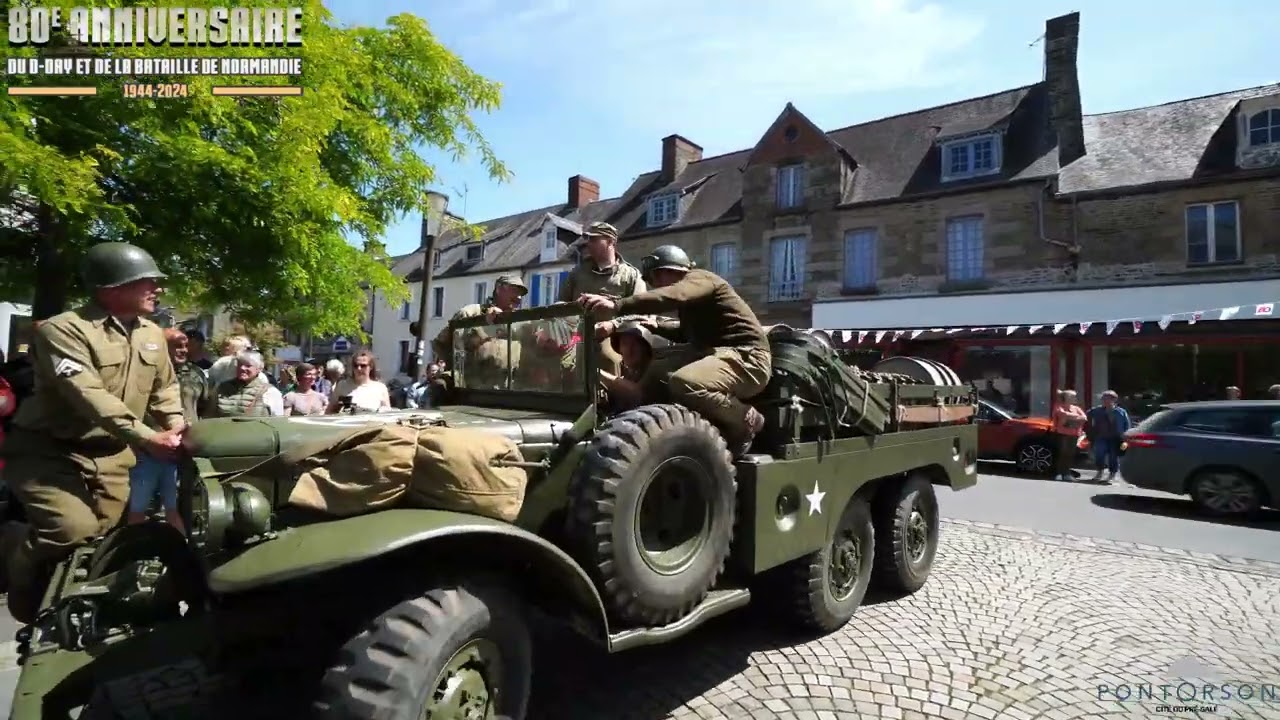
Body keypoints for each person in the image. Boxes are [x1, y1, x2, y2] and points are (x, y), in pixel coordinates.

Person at [0, 242, 186, 623]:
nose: (158, 288)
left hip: (114, 454)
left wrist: (175, 424)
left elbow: (164, 388)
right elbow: (88, 395)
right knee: (71, 530)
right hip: (49, 452)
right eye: (147, 281)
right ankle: (13, 550)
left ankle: (74, 611)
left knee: (108, 542)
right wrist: (148, 438)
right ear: (112, 288)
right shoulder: (63, 331)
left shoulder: (152, 334)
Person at [579, 244, 771, 456]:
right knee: (655, 369)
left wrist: (617, 305)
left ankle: (745, 419)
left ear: (672, 271)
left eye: (658, 278)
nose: (657, 286)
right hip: (714, 353)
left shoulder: (701, 279)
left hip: (749, 358)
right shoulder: (692, 303)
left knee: (686, 382)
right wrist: (657, 326)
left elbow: (673, 295)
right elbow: (687, 333)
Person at [127, 327, 205, 532]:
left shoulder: (196, 375)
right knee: (138, 508)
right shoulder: (139, 373)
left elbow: (206, 407)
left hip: (183, 452)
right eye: (176, 346)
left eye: (185, 346)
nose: (183, 350)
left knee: (179, 506)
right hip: (146, 452)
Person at [558, 222, 646, 375]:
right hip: (577, 335)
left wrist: (613, 324)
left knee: (609, 359)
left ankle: (612, 397)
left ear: (611, 242)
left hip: (614, 336)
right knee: (556, 360)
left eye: (594, 239)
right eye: (588, 240)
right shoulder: (577, 273)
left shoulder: (631, 275)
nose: (588, 244)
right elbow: (560, 304)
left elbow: (640, 312)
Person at [432, 274, 528, 365]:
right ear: (499, 289)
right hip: (472, 380)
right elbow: (443, 344)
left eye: (521, 294)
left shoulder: (520, 324)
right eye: (515, 291)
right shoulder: (471, 313)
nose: (519, 298)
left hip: (507, 381)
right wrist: (484, 322)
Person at [601, 319, 669, 412]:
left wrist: (599, 375)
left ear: (645, 349)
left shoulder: (654, 371)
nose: (629, 350)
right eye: (625, 344)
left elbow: (637, 394)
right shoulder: (629, 375)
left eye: (635, 344)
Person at [205, 350, 284, 417]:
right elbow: (209, 417)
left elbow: (278, 422)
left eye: (248, 365)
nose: (242, 368)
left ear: (259, 368)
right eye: (240, 364)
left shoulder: (270, 392)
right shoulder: (221, 389)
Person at [1084, 390, 1131, 484]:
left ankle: (1112, 474)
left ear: (1114, 400)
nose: (1105, 401)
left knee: (1113, 456)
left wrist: (1126, 436)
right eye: (1103, 399)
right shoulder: (1097, 410)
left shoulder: (1121, 412)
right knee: (1099, 453)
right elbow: (1085, 415)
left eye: (1107, 399)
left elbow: (1127, 424)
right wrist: (1090, 430)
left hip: (1116, 437)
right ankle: (1100, 472)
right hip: (1101, 436)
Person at [326, 350, 391, 413]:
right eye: (356, 366)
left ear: (371, 367)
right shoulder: (342, 385)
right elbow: (329, 411)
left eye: (363, 366)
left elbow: (387, 412)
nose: (359, 369)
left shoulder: (380, 388)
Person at [1049, 389, 1087, 481]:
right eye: (1072, 396)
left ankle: (1066, 473)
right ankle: (1058, 473)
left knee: (1070, 454)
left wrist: (1069, 417)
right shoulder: (1058, 406)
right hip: (1062, 433)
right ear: (1065, 398)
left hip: (1074, 434)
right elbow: (1061, 414)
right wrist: (1076, 418)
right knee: (1062, 453)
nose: (1075, 398)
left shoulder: (1076, 408)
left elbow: (1084, 418)